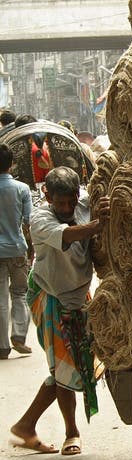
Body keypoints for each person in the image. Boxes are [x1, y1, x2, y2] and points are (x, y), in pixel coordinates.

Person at [10, 167, 110, 455]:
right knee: (65, 367)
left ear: (77, 194)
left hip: (78, 294)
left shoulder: (84, 203)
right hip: (50, 295)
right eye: (59, 203)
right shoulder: (40, 218)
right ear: (47, 196)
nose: (66, 208)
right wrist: (96, 225)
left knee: (74, 365)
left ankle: (33, 426)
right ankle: (64, 431)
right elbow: (67, 235)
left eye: (70, 201)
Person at [0, 144, 33, 359]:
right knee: (20, 293)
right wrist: (31, 248)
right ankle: (19, 336)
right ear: (11, 163)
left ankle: (2, 346)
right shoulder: (22, 189)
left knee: (1, 298)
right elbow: (29, 222)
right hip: (18, 248)